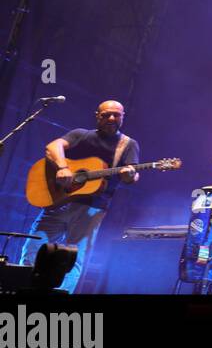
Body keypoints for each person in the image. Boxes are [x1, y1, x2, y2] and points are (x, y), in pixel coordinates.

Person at [20, 100, 140, 293]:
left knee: (74, 259)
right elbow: (53, 146)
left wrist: (130, 175)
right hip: (59, 201)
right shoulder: (80, 135)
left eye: (116, 115)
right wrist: (62, 168)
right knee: (34, 249)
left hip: (92, 208)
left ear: (123, 117)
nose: (111, 118)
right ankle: (24, 292)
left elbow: (132, 175)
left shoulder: (128, 145)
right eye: (106, 114)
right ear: (97, 115)